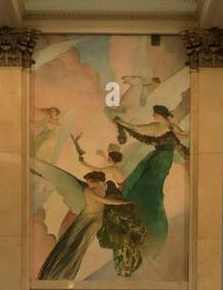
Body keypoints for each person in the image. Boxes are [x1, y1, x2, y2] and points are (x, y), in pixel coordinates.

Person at [113, 105, 188, 257]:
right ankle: (136, 212)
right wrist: (122, 122)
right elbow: (137, 128)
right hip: (155, 157)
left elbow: (183, 135)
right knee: (139, 180)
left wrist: (183, 142)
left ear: (160, 114)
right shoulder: (154, 126)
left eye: (154, 113)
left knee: (151, 187)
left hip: (164, 159)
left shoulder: (171, 127)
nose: (153, 115)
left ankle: (149, 221)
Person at [37, 169, 133, 280]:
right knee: (73, 247)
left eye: (89, 181)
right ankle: (56, 273)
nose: (88, 184)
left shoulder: (104, 186)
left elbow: (111, 196)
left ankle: (66, 273)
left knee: (79, 250)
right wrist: (125, 203)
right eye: (87, 182)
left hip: (95, 221)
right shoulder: (88, 191)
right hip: (86, 221)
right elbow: (106, 201)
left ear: (97, 180)